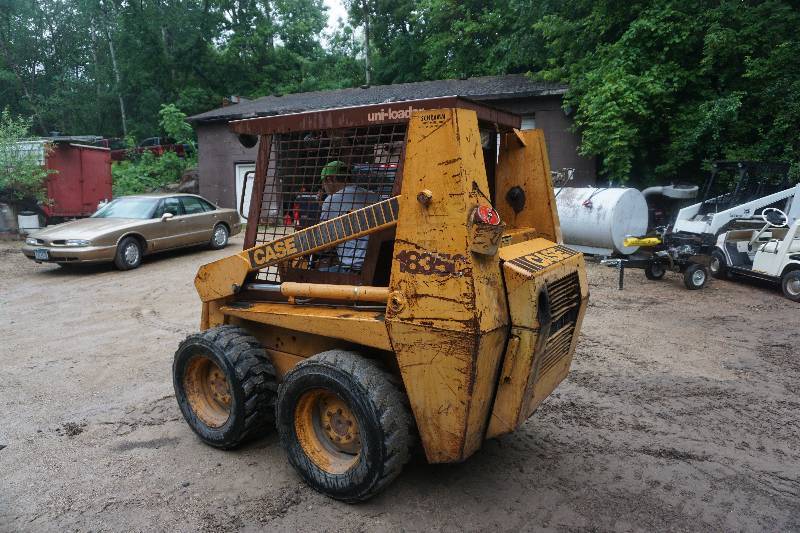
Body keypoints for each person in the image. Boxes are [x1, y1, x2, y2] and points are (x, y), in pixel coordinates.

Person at [318, 160, 380, 272]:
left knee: (316, 275)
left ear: (329, 179)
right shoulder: (375, 197)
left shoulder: (331, 201)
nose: (323, 188)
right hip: (377, 265)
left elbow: (325, 245)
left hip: (353, 268)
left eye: (323, 183)